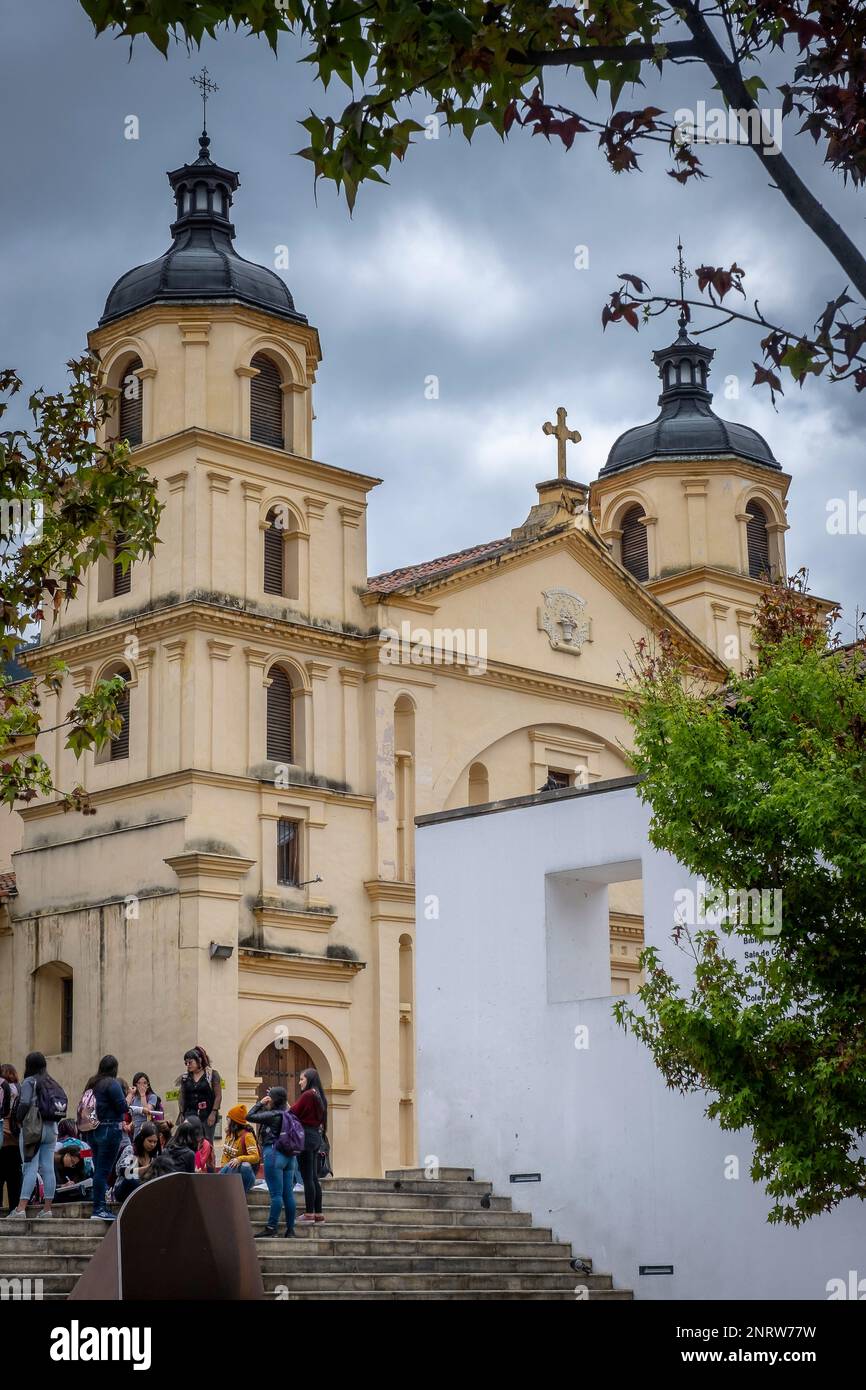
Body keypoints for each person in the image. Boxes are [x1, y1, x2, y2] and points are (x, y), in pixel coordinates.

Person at [6, 1052, 63, 1220]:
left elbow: (24, 1103)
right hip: (52, 1128)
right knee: (48, 1168)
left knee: (30, 1167)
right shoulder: (52, 1081)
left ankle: (20, 1209)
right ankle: (47, 1209)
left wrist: (18, 1119)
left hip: (33, 1129)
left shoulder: (30, 1081)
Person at [82, 1054, 127, 1223]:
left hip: (93, 1130)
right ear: (114, 1068)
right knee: (103, 1171)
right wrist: (128, 1098)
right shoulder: (112, 1083)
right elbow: (122, 1106)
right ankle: (99, 1208)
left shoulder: (92, 1083)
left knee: (98, 1170)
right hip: (109, 1129)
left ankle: (99, 1205)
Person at [248, 1087, 297, 1238]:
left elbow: (249, 1116)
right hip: (290, 1157)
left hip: (274, 1154)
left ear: (273, 1100)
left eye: (269, 1097)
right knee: (288, 1194)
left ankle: (271, 1227)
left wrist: (260, 1103)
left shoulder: (272, 1115)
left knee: (276, 1194)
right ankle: (290, 1230)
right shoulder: (290, 1115)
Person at [290, 1069, 327, 1226]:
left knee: (307, 1178)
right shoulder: (319, 1095)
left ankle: (309, 1213)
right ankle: (318, 1213)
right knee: (313, 1178)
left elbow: (293, 1112)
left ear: (309, 1079)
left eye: (301, 1079)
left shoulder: (308, 1095)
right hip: (315, 1137)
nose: (300, 1082)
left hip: (304, 1137)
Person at [177, 1047, 221, 1150]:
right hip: (190, 1114)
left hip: (207, 1114)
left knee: (207, 1143)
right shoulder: (185, 1077)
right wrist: (182, 1113)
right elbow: (181, 1096)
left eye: (190, 1062)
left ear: (199, 1060)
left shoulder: (212, 1075)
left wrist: (213, 1113)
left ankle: (209, 1165)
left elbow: (218, 1096)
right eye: (186, 1063)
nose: (188, 1065)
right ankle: (192, 1165)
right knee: (189, 1142)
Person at [113, 1122, 161, 1204]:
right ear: (142, 1138)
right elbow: (124, 1172)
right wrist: (147, 1168)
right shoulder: (132, 1150)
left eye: (155, 1142)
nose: (152, 1144)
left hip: (144, 1189)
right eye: (150, 1141)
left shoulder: (154, 1155)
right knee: (132, 1179)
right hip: (124, 1190)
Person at [218, 1105, 259, 1195]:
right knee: (230, 1165)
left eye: (228, 1119)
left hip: (245, 1175)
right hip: (230, 1172)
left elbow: (256, 1157)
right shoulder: (229, 1135)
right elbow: (225, 1155)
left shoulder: (247, 1136)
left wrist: (239, 1159)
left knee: (245, 1165)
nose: (227, 1121)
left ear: (234, 1122)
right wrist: (224, 1167)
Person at [0, 1063, 22, 1214]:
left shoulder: (2, 1087)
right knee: (14, 1177)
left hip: (2, 1136)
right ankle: (14, 1208)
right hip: (16, 1138)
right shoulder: (20, 1089)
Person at [53, 1139, 94, 1204]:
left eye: (74, 1165)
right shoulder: (52, 1162)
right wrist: (62, 1186)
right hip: (55, 1194)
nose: (71, 1165)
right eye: (72, 1161)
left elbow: (89, 1153)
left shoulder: (72, 1168)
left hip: (66, 1193)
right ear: (67, 1154)